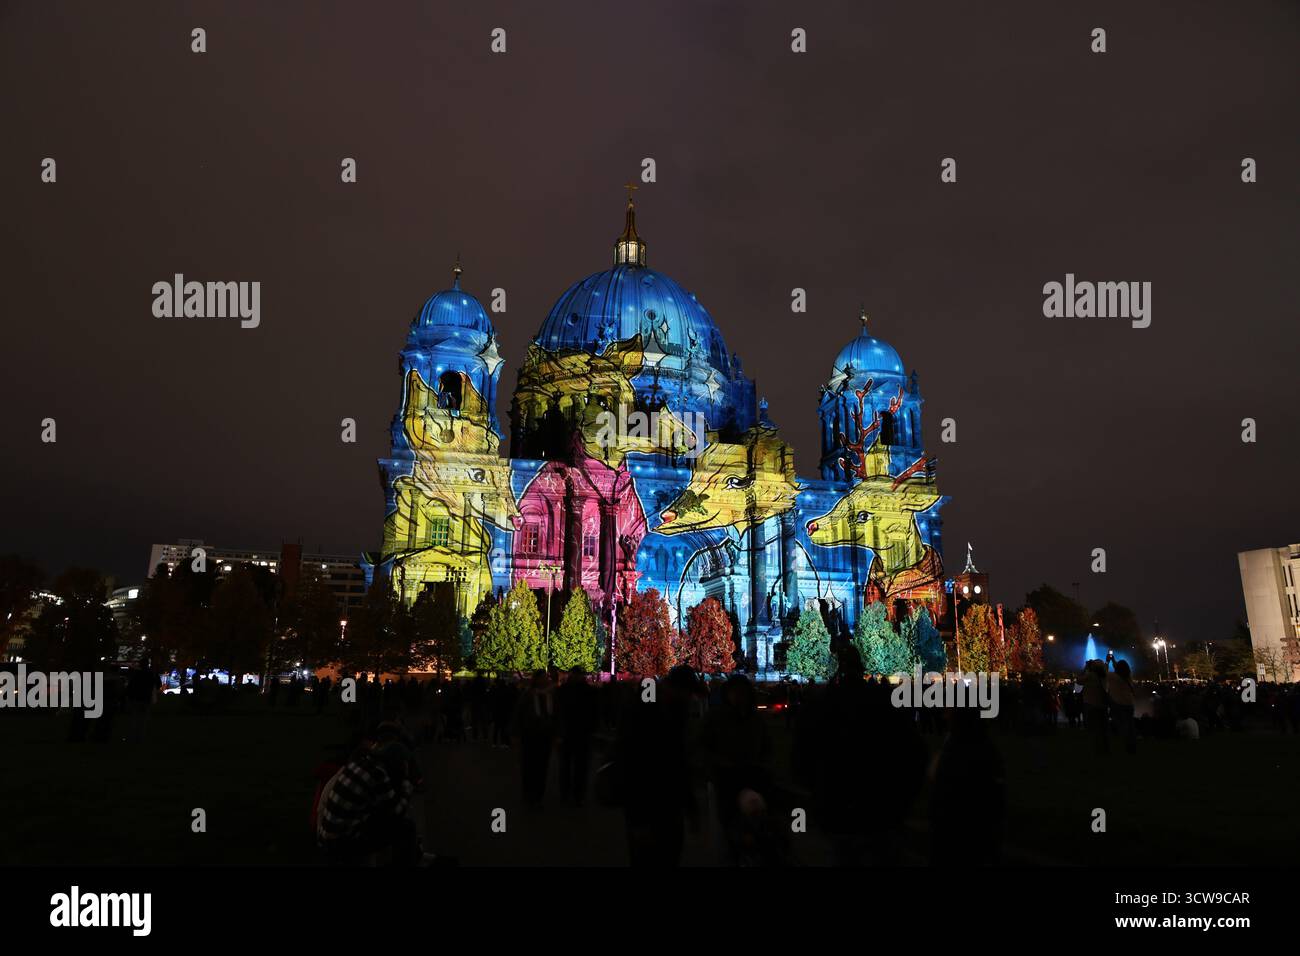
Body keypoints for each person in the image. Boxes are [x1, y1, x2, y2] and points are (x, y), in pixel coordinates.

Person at [615, 665, 699, 866]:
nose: (689, 699)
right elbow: (632, 754)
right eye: (686, 693)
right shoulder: (649, 695)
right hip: (645, 796)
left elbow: (679, 758)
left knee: (668, 854)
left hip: (669, 798)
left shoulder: (678, 708)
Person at [316, 739, 426, 866]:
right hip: (341, 843)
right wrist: (407, 784)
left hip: (327, 839)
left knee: (381, 820)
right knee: (406, 827)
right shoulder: (378, 774)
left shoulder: (358, 764)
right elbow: (396, 812)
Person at [513, 670, 556, 808]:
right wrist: (517, 733)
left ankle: (537, 795)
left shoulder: (551, 695)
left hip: (545, 736)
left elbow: (557, 715)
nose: (545, 680)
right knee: (529, 766)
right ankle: (529, 794)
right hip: (530, 735)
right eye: (543, 678)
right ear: (537, 680)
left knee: (542, 767)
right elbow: (519, 714)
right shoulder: (528, 695)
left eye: (546, 678)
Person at [556, 667, 598, 805]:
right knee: (581, 767)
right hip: (583, 734)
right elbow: (595, 713)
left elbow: (558, 712)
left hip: (568, 733)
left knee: (566, 766)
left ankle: (565, 794)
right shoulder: (589, 692)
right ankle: (578, 795)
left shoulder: (563, 690)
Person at [1106, 660, 1137, 754]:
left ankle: (1125, 746)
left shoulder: (1112, 677)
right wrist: (1114, 661)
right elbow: (1120, 669)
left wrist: (1107, 661)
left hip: (1118, 704)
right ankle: (1132, 745)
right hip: (1130, 704)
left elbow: (1104, 672)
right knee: (1130, 725)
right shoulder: (1129, 676)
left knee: (1122, 726)